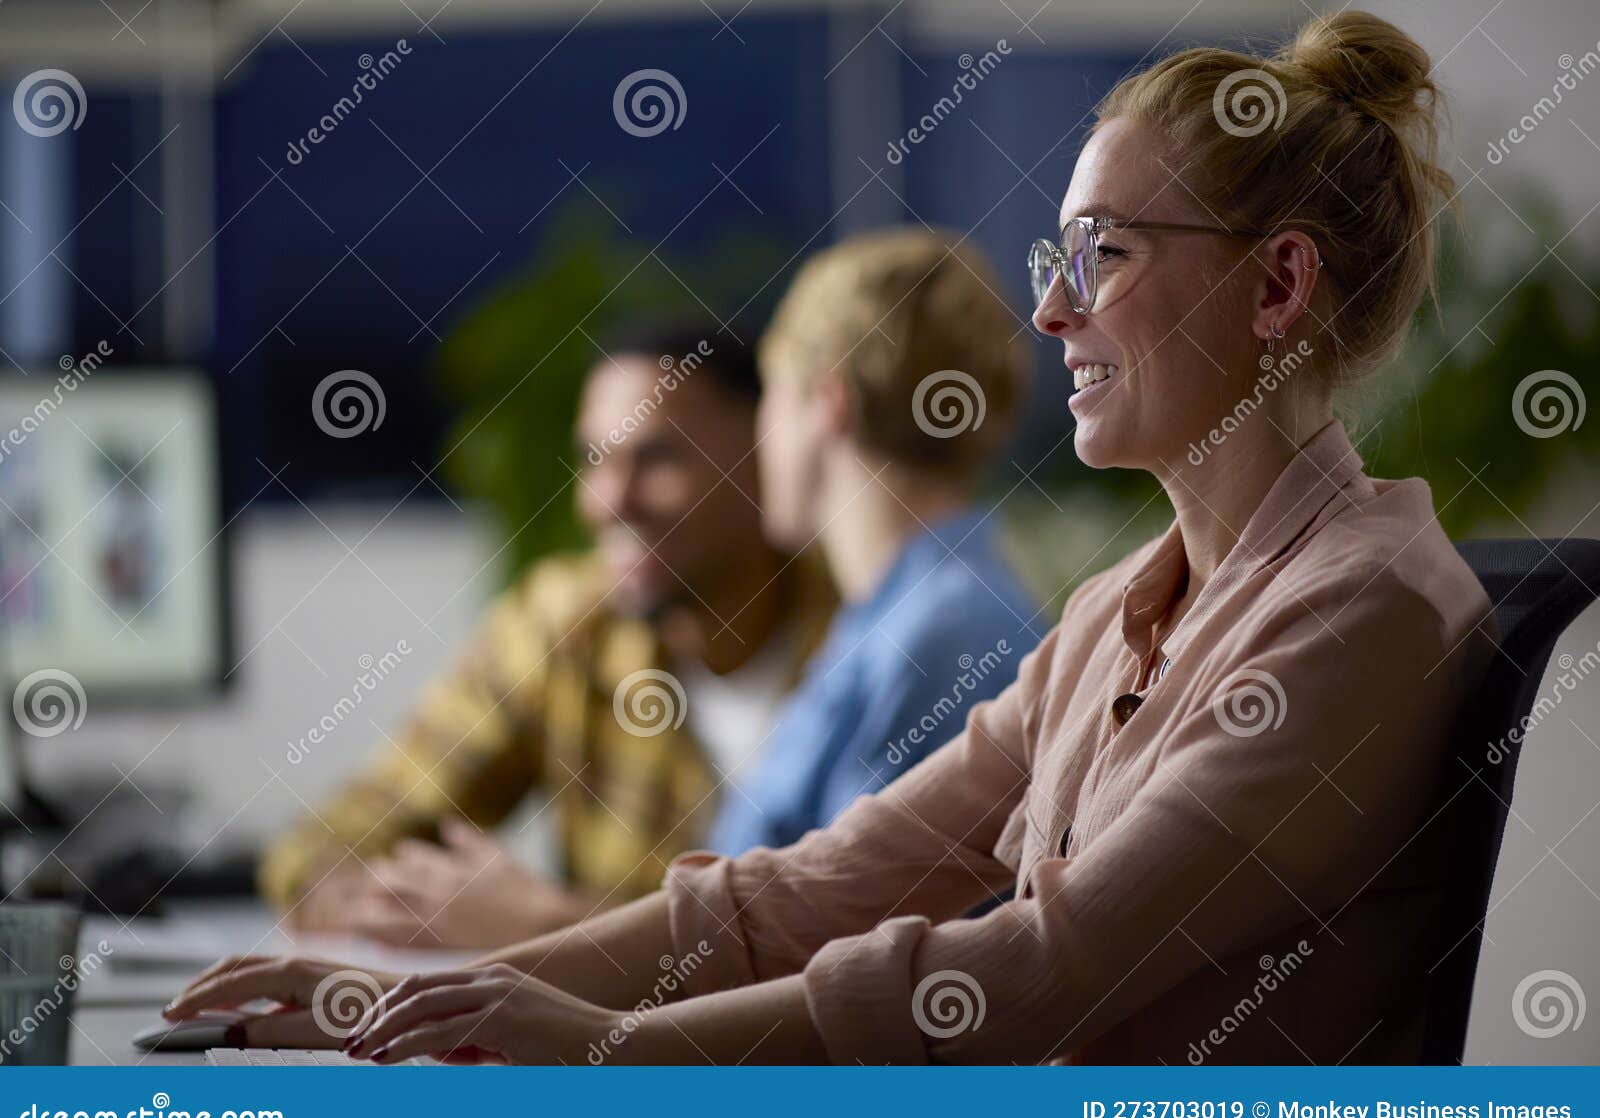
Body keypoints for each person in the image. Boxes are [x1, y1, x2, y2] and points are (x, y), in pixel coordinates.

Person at [172, 10, 1498, 1064]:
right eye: (1052, 257)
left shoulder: (1361, 608)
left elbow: (1030, 976)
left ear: (1277, 285)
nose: (1051, 312)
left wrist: (603, 1047)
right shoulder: (1115, 611)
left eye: (1103, 252)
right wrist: (412, 1003)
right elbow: (795, 897)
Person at [258, 323, 837, 948]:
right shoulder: (565, 625)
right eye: (595, 460)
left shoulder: (864, 635)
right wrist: (389, 900)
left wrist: (555, 927)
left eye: (657, 459)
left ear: (765, 457)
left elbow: (859, 946)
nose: (608, 502)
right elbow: (339, 837)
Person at [704, 227, 1038, 856]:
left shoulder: (938, 634)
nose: (761, 438)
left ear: (827, 404)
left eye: (774, 398)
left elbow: (837, 904)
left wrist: (546, 911)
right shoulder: (902, 614)